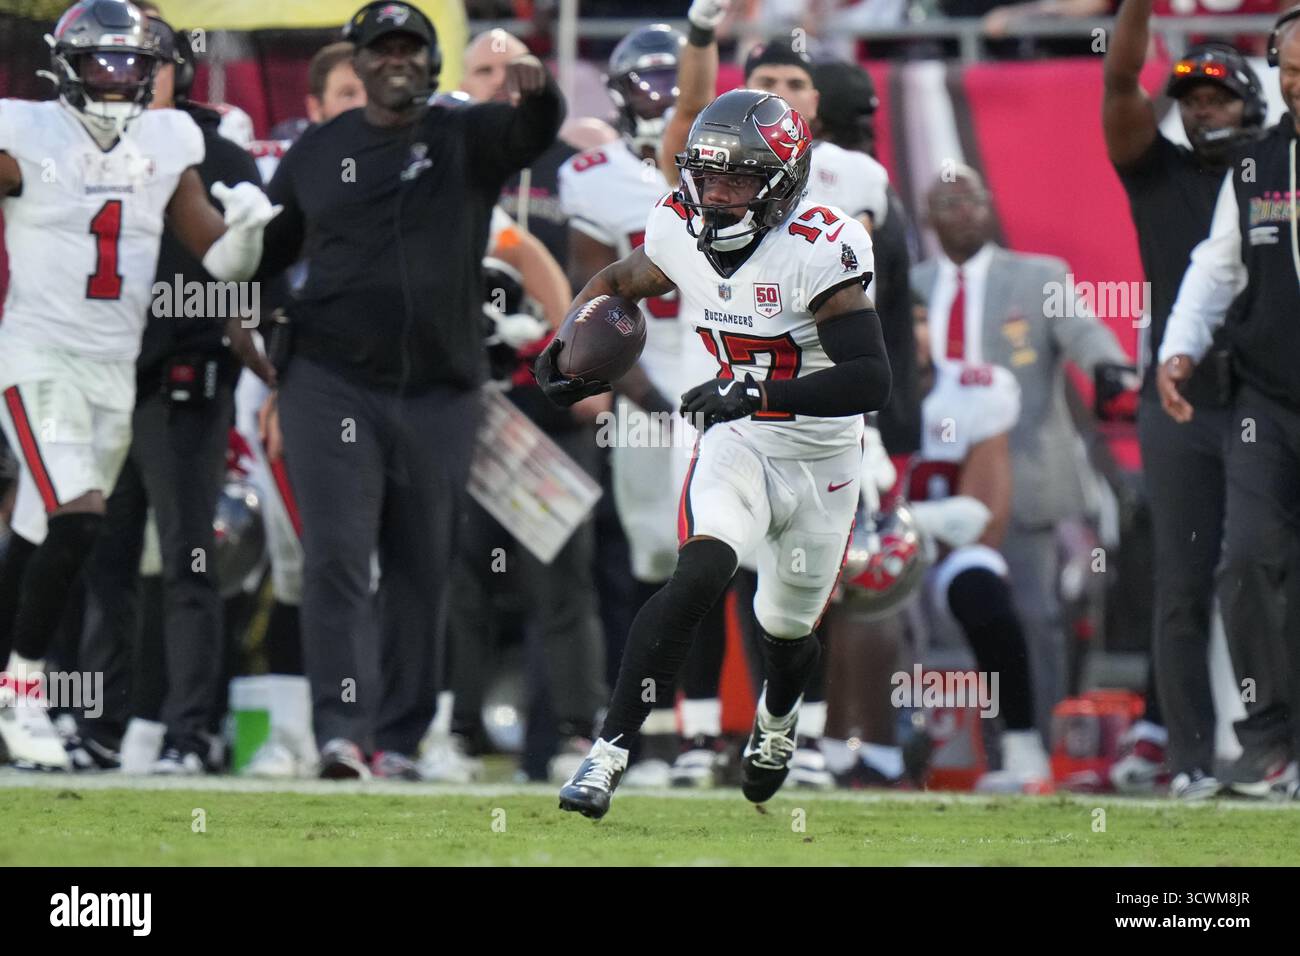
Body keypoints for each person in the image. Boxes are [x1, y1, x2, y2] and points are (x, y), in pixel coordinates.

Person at [538, 89, 891, 820]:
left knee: (787, 630)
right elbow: (615, 284)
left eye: (738, 179)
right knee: (700, 569)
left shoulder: (826, 245)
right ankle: (608, 755)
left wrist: (756, 391)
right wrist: (570, 348)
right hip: (738, 440)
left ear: (784, 183)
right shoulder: (675, 225)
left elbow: (869, 379)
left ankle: (779, 720)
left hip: (823, 456)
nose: (718, 194)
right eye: (706, 174)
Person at [252, 1, 563, 779]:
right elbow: (263, 259)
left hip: (439, 387)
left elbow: (531, 133)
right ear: (355, 62)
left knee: (423, 563)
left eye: (410, 48)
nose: (396, 60)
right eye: (381, 48)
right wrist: (271, 358)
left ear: (431, 64)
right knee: (337, 558)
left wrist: (542, 95)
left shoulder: (466, 135)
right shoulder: (318, 153)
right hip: (329, 380)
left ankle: (398, 737)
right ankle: (339, 734)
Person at [0, 0, 278, 770]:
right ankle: (21, 692)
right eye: (103, 61)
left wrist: (248, 235)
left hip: (114, 372)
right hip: (38, 357)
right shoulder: (25, 130)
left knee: (32, 537)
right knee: (81, 516)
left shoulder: (170, 138)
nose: (120, 77)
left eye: (135, 63)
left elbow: (215, 258)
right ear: (67, 66)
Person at [659, 28, 901, 789]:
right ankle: (696, 735)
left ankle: (806, 737)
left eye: (794, 83)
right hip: (716, 396)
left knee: (802, 585)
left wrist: (878, 420)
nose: (779, 93)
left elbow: (870, 317)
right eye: (764, 78)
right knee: (707, 564)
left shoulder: (850, 186)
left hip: (810, 404)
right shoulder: (706, 176)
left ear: (817, 104)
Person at [1103, 0, 1267, 799]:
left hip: (1271, 401)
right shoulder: (1154, 167)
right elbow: (1118, 78)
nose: (1204, 110)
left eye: (1220, 97)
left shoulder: (1276, 170)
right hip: (1181, 406)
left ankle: (1276, 752)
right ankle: (1191, 762)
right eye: (1192, 99)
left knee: (1268, 572)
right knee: (1182, 582)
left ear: (1256, 103)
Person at [911, 166, 1130, 736]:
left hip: (1021, 477)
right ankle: (953, 754)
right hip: (929, 482)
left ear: (990, 207)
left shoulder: (1038, 278)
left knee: (1035, 618)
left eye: (974, 200)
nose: (964, 212)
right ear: (928, 217)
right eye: (949, 202)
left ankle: (1041, 746)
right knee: (944, 625)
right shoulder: (911, 287)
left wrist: (1109, 369)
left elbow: (1083, 331)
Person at [1157, 8, 1300, 800]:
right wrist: (1178, 348)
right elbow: (1217, 267)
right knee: (1245, 558)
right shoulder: (1258, 168)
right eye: (1290, 70)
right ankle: (1268, 738)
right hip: (1269, 400)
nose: (1296, 85)